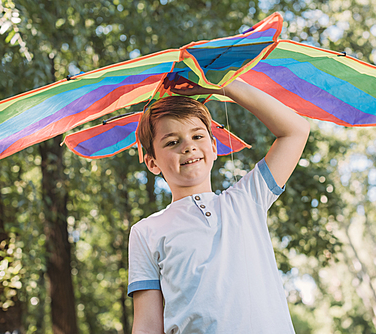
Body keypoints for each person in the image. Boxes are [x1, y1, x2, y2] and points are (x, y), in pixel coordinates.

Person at [128, 79, 310, 334]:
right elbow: (147, 326)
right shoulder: (146, 231)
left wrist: (223, 86)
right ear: (152, 163)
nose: (188, 146)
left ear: (214, 147)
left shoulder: (247, 198)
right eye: (172, 142)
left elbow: (296, 130)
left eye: (197, 136)